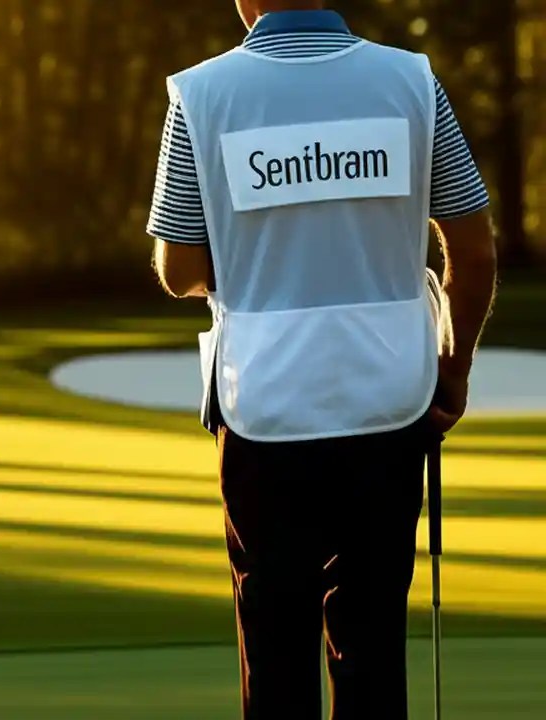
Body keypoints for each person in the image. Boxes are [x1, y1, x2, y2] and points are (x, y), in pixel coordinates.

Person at [146, 1, 499, 718]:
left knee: (276, 655)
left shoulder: (201, 93)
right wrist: (453, 368)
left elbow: (178, 269)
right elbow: (475, 249)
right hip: (389, 403)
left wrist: (253, 259)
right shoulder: (410, 80)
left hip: (264, 404)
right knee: (372, 653)